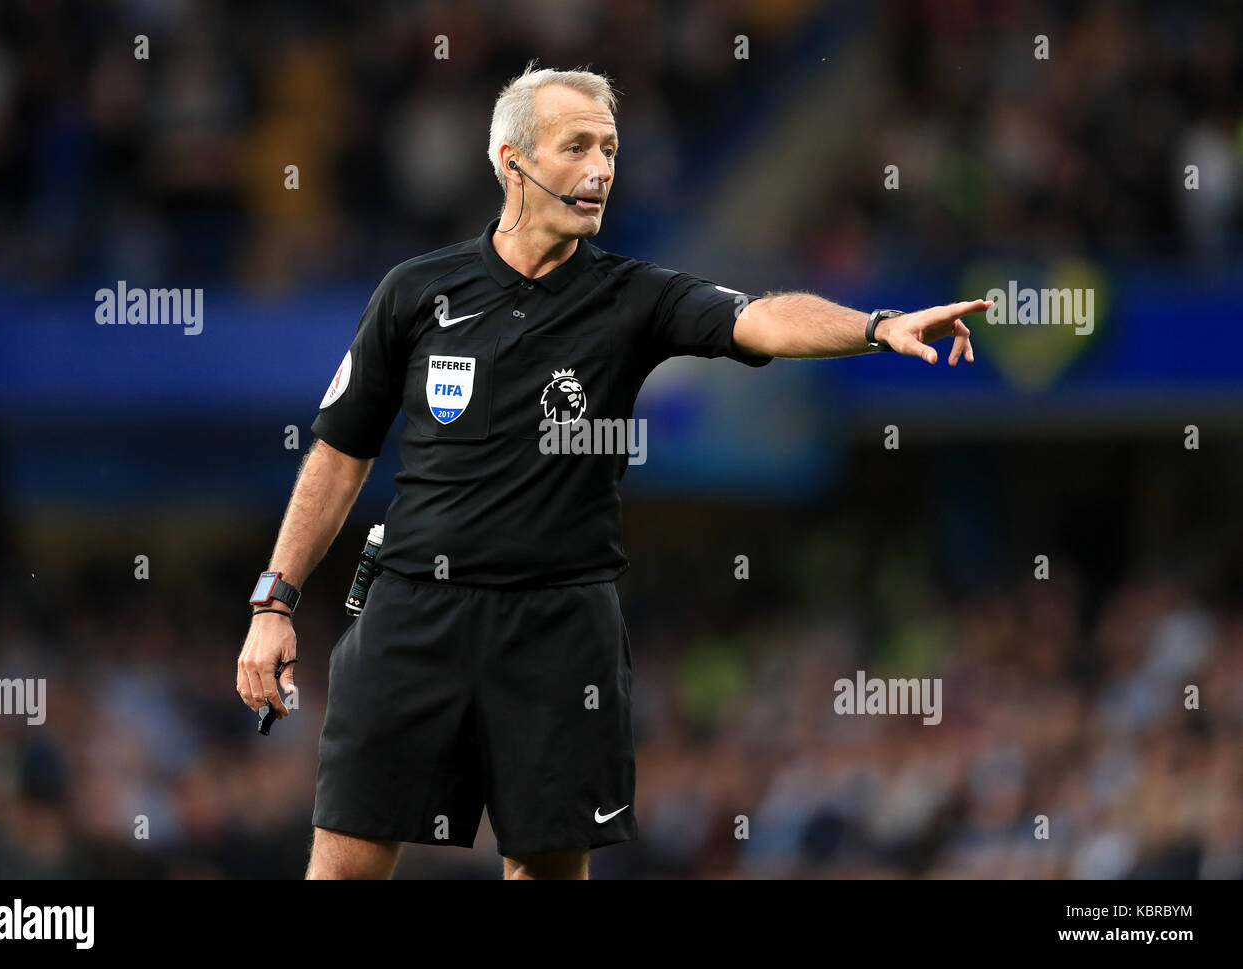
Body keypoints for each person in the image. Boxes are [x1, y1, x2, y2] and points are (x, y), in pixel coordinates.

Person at [235, 63, 988, 880]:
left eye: (610, 149)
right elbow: (341, 453)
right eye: (577, 147)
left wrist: (877, 325)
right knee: (342, 865)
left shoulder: (634, 298)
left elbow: (759, 318)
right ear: (510, 160)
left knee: (546, 874)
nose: (600, 170)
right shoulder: (416, 292)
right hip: (413, 612)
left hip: (561, 630)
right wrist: (275, 601)